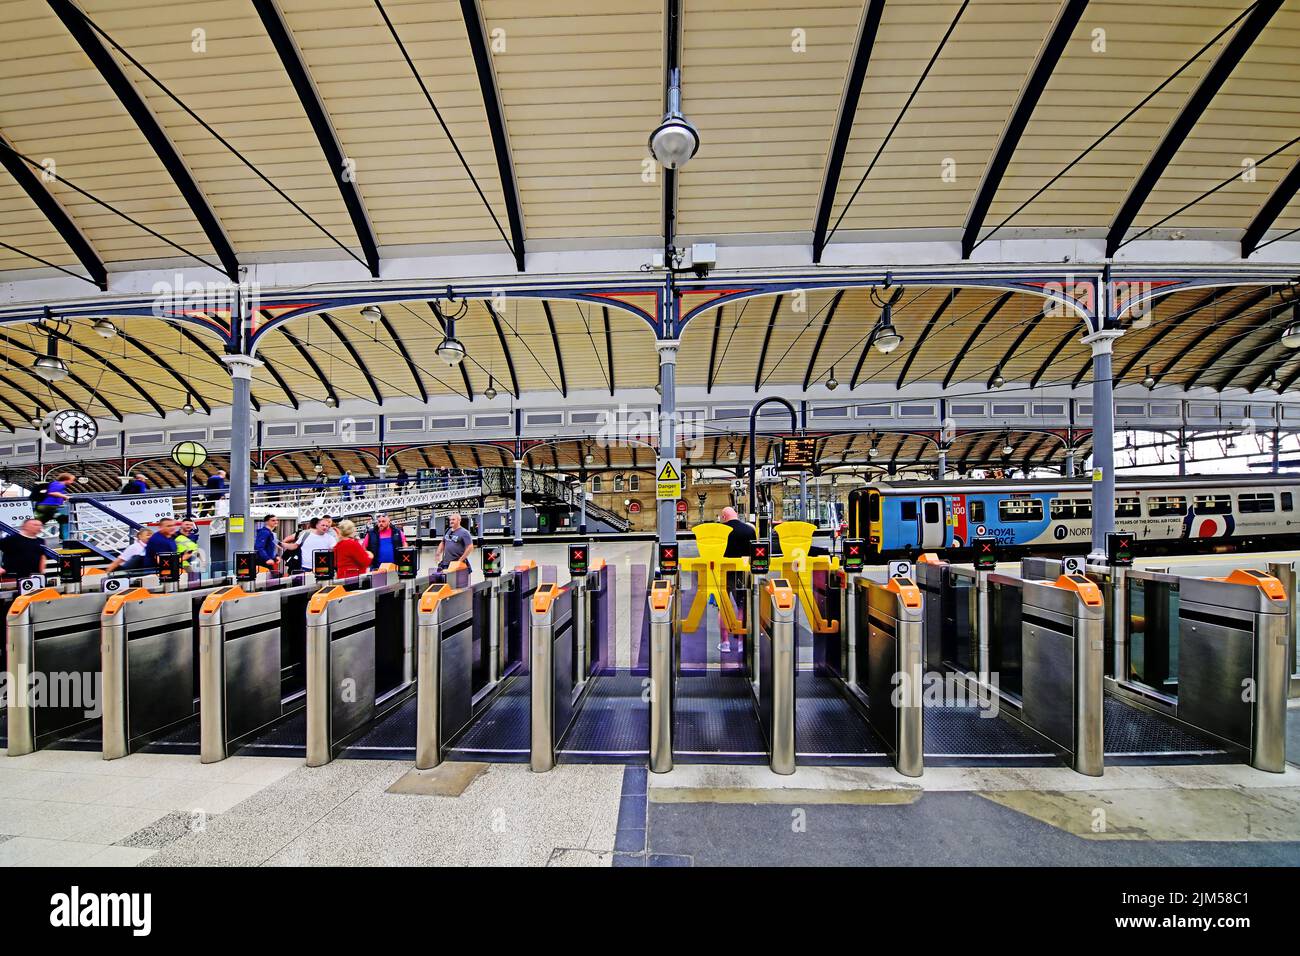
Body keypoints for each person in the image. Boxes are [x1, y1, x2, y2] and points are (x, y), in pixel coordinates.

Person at [718, 506, 756, 653]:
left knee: (723, 607)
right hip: (742, 573)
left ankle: (725, 642)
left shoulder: (720, 532)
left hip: (723, 574)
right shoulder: (749, 530)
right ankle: (741, 642)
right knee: (741, 605)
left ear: (723, 517)